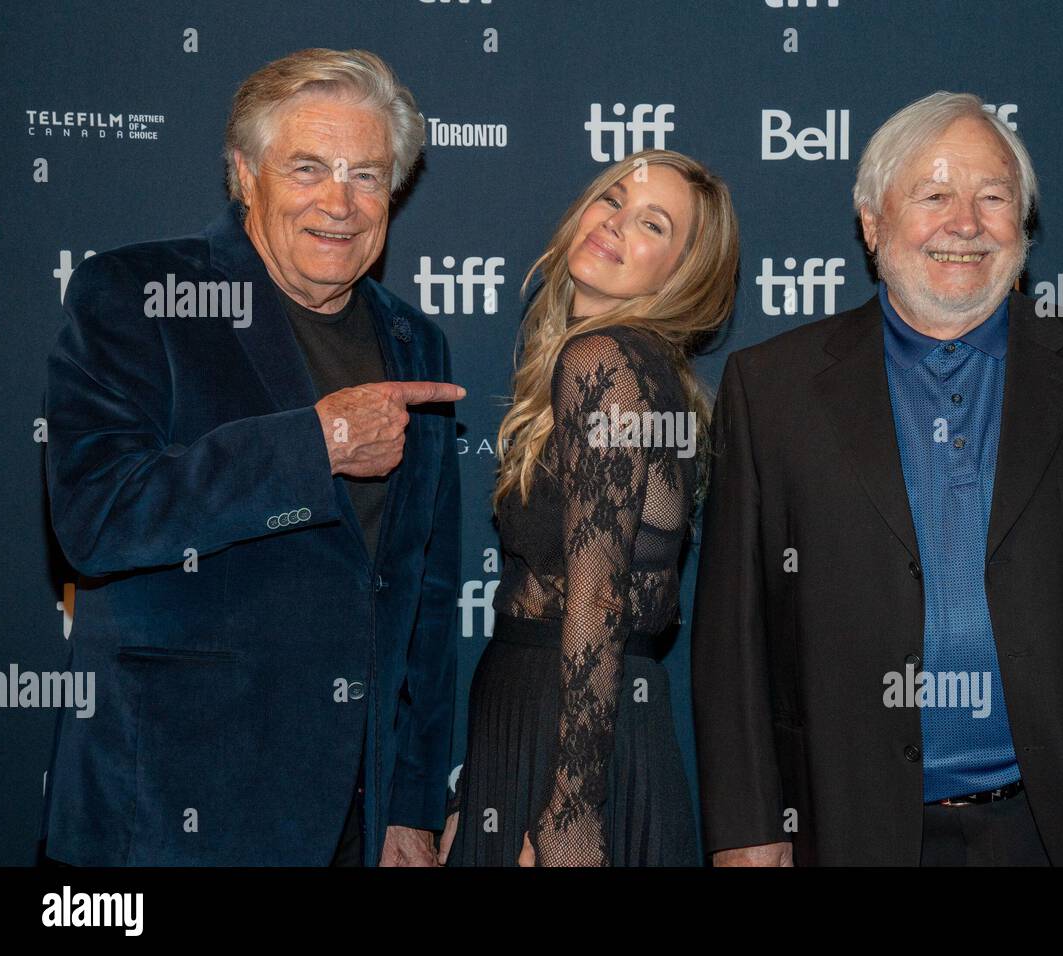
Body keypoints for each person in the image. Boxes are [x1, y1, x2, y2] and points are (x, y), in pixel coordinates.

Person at [691, 91, 1063, 866]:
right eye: (934, 195)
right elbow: (734, 644)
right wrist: (748, 831)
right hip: (850, 834)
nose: (966, 224)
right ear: (873, 224)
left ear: (1024, 226)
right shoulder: (770, 391)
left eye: (994, 197)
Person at [41, 48, 463, 866]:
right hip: (167, 814)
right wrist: (317, 443)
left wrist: (411, 800)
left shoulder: (416, 341)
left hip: (351, 819)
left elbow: (427, 600)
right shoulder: (138, 295)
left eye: (367, 175)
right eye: (307, 167)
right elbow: (95, 518)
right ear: (245, 174)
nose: (339, 202)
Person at [439, 149, 739, 866]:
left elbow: (599, 594)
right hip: (556, 726)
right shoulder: (626, 367)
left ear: (682, 274)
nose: (614, 223)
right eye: (611, 199)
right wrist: (472, 796)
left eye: (653, 225)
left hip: (569, 737)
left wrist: (571, 818)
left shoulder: (602, 362)